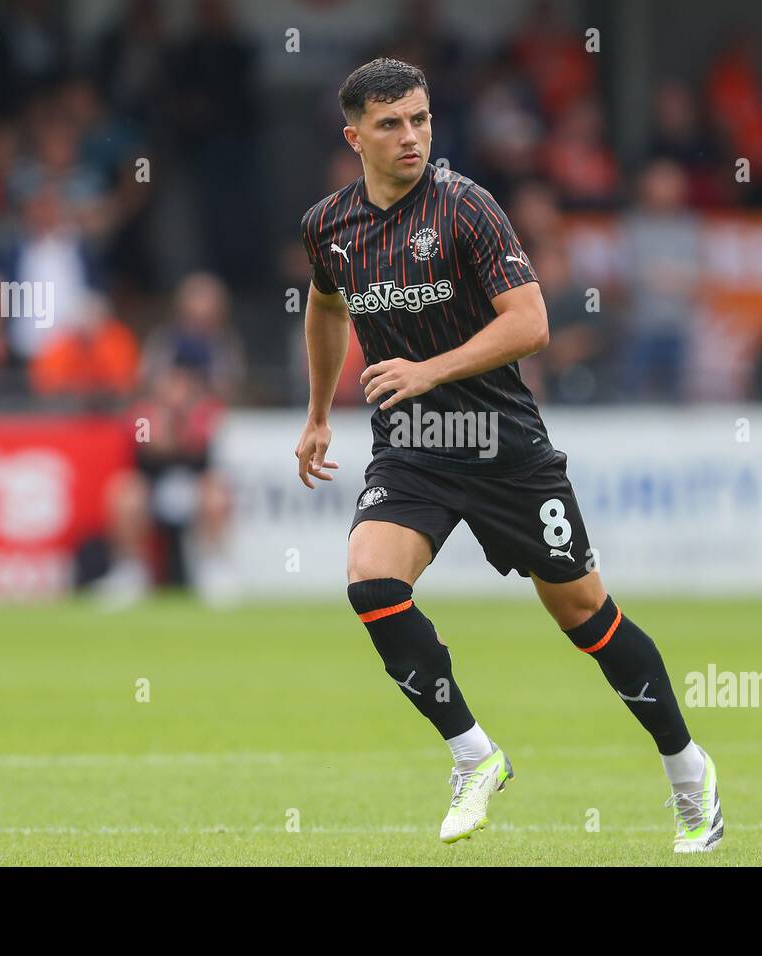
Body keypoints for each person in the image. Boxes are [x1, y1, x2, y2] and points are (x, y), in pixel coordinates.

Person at [295, 59, 721, 852]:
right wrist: (319, 413)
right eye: (390, 125)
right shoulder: (329, 226)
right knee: (371, 582)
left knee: (584, 615)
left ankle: (688, 771)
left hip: (503, 450)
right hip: (413, 450)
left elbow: (531, 324)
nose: (411, 136)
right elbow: (325, 308)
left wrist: (427, 369)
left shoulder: (466, 209)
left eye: (420, 119)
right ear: (354, 136)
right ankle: (474, 754)